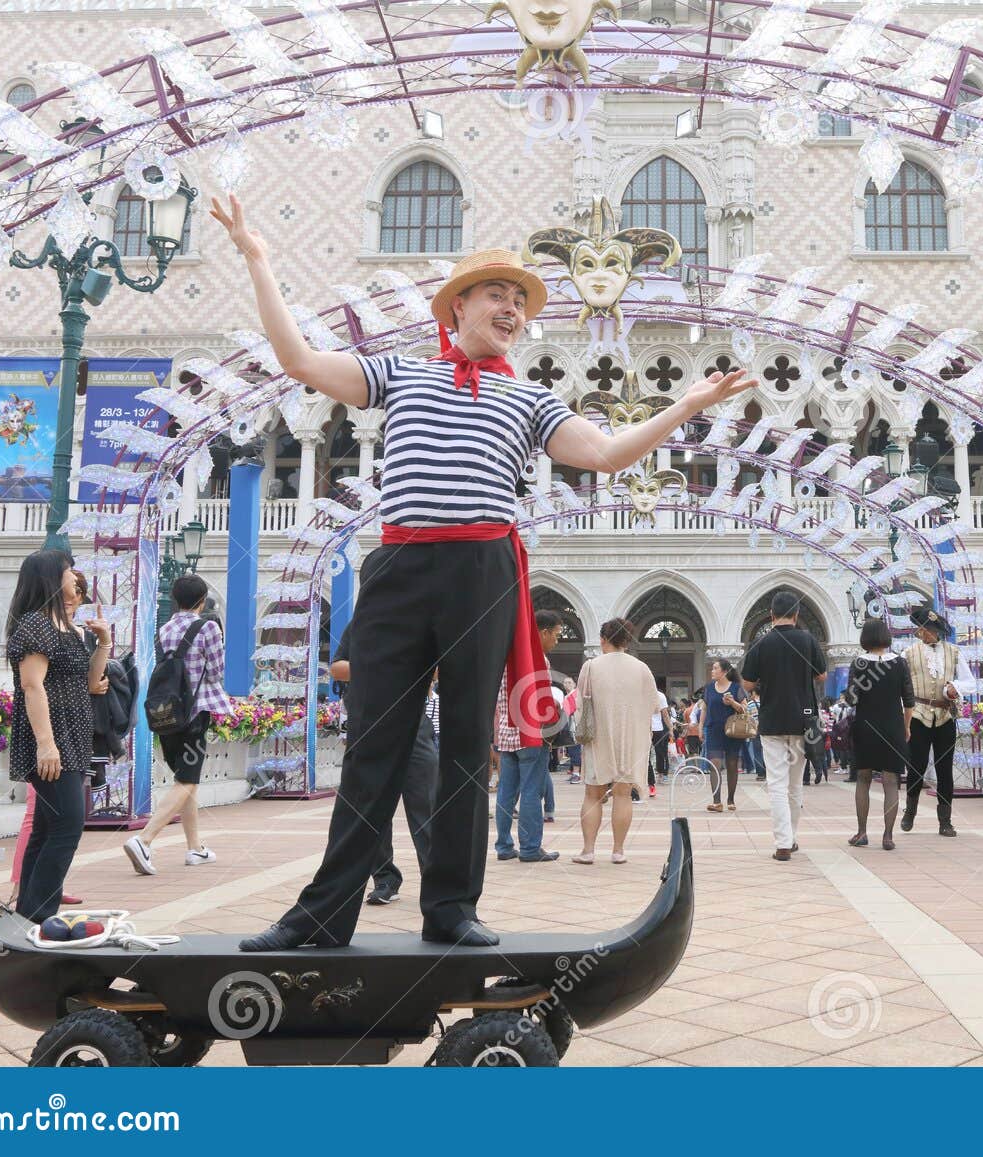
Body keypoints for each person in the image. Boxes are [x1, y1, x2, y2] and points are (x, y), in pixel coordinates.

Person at [211, 193, 759, 950]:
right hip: (400, 567)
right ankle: (321, 916)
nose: (512, 309)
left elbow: (603, 453)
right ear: (457, 306)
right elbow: (298, 359)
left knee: (470, 745)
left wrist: (684, 407)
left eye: (520, 301)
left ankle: (452, 910)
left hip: (483, 568)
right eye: (497, 295)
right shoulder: (397, 373)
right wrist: (258, 258)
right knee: (375, 743)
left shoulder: (528, 398)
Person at [6, 550, 111, 923]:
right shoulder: (36, 626)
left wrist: (103, 644)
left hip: (73, 734)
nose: (75, 577)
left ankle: (28, 917)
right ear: (53, 578)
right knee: (68, 824)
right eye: (69, 571)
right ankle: (40, 916)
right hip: (53, 738)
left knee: (48, 827)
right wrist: (46, 744)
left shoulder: (66, 627)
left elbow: (91, 684)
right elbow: (32, 687)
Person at [125, 574, 232, 875]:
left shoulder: (164, 628)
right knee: (187, 780)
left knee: (187, 781)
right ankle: (144, 840)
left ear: (174, 598)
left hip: (166, 712)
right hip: (194, 713)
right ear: (202, 600)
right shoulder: (208, 626)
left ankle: (195, 848)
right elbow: (216, 671)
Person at [329, 620, 437, 906]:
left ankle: (435, 880)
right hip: (369, 727)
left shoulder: (419, 621)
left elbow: (437, 668)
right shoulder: (362, 623)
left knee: (425, 806)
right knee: (372, 810)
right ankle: (385, 879)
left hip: (414, 729)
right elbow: (337, 668)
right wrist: (382, 670)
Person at [741, 591, 827, 861]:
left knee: (775, 784)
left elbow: (746, 683)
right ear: (796, 614)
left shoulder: (761, 643)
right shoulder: (807, 639)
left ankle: (783, 842)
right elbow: (822, 674)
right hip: (803, 720)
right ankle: (791, 836)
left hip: (772, 720)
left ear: (771, 615)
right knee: (794, 785)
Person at [573, 618, 657, 864]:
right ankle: (618, 850)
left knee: (592, 794)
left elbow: (579, 705)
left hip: (598, 736)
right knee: (623, 794)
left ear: (603, 639)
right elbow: (653, 705)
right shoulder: (641, 668)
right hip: (630, 738)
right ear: (627, 641)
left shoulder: (591, 666)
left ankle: (588, 850)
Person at [494, 608, 567, 863]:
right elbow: (541, 701)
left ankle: (503, 846)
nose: (556, 641)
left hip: (506, 732)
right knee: (531, 791)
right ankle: (530, 848)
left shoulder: (503, 655)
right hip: (531, 735)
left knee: (506, 791)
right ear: (543, 632)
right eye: (556, 635)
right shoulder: (538, 660)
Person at [845, 619, 914, 851]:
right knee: (891, 780)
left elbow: (852, 699)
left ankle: (862, 832)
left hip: (865, 727)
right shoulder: (900, 663)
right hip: (893, 727)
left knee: (863, 779)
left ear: (865, 638)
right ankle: (888, 836)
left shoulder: (859, 663)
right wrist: (906, 727)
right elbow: (909, 701)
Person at [901, 608, 964, 838]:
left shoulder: (954, 652)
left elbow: (967, 680)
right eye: (922, 629)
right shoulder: (908, 653)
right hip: (918, 714)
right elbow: (902, 684)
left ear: (937, 631)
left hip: (945, 714)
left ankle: (945, 820)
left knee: (944, 769)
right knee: (915, 766)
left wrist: (955, 688)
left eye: (928, 630)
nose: (925, 634)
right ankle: (910, 810)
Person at [699, 659, 747, 813]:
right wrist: (700, 727)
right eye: (712, 668)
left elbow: (744, 709)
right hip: (713, 730)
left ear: (724, 671)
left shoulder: (736, 688)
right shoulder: (708, 688)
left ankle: (731, 800)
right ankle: (716, 801)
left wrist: (732, 703)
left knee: (732, 765)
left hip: (733, 730)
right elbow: (704, 709)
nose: (712, 671)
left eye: (715, 668)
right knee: (714, 764)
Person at [648, 675, 671, 798]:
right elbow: (665, 714)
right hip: (650, 728)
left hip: (656, 728)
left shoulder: (659, 696)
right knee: (658, 753)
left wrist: (670, 728)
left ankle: (661, 774)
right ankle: (657, 777)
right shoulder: (656, 695)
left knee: (659, 753)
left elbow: (665, 714)